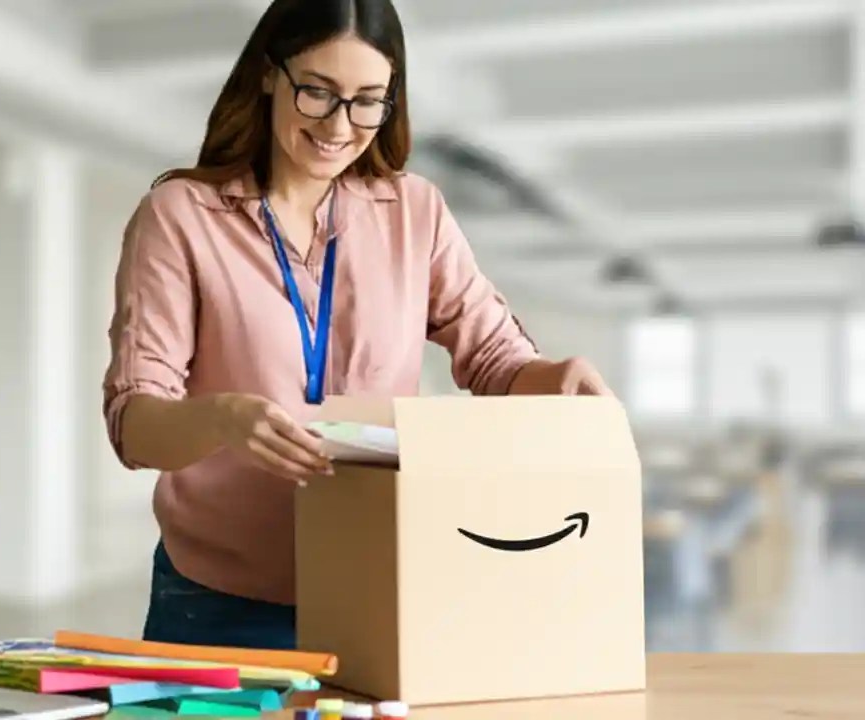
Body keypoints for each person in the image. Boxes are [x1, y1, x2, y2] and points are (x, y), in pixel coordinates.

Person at [101, 0, 613, 650]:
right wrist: (223, 418)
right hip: (220, 602)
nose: (340, 126)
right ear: (269, 74)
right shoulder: (180, 216)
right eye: (317, 92)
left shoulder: (415, 212)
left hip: (379, 579)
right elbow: (135, 424)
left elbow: (496, 358)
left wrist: (553, 376)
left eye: (368, 101)